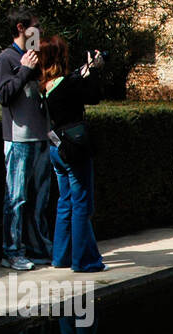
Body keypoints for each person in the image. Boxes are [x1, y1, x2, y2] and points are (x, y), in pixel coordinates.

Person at [39, 36, 106, 273]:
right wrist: (95, 70)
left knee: (65, 202)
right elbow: (94, 96)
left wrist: (83, 72)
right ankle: (84, 261)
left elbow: (72, 85)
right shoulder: (67, 85)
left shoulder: (44, 87)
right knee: (81, 204)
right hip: (75, 150)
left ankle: (62, 256)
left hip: (57, 149)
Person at [0, 6, 54, 270]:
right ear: (21, 28)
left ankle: (38, 249)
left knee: (40, 198)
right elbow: (4, 96)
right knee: (16, 199)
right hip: (18, 140)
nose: (39, 31)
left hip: (41, 138)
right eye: (35, 26)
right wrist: (23, 70)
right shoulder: (6, 59)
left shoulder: (37, 57)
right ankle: (11, 252)